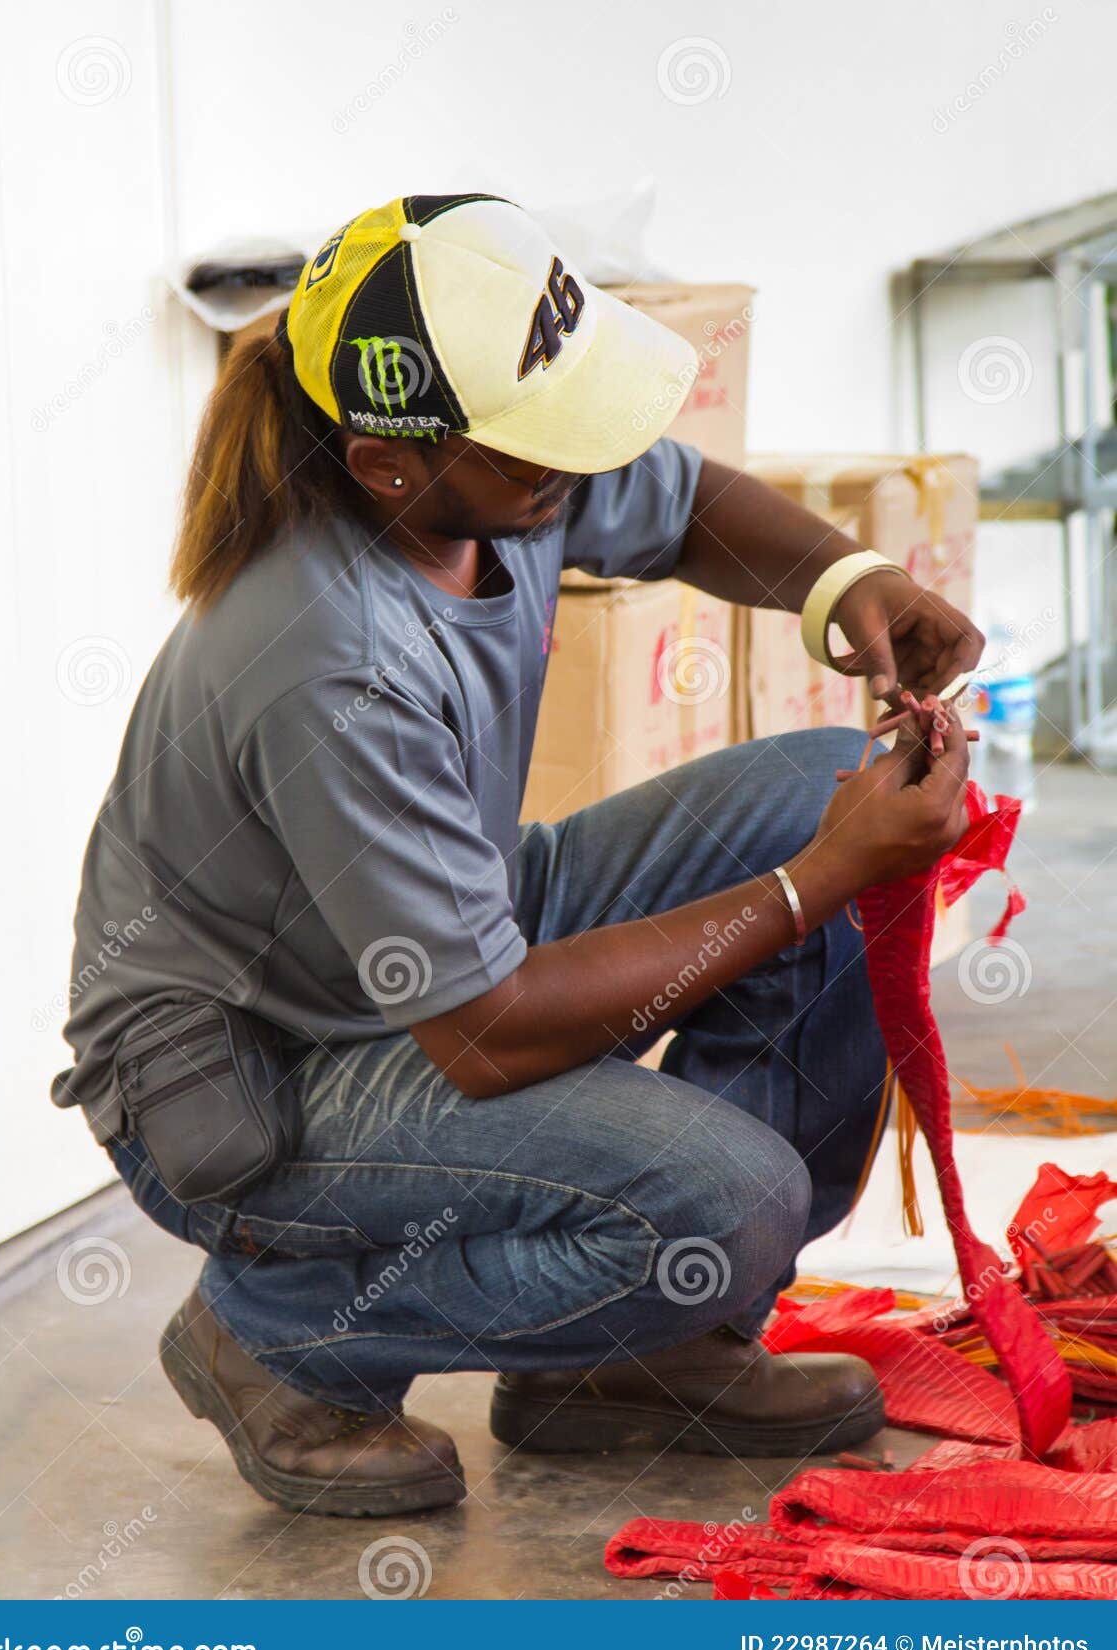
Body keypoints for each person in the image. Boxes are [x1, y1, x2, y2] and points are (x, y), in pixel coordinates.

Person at [52, 193, 982, 1519]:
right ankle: (281, 1334)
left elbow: (679, 503)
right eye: (547, 443)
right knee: (731, 1196)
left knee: (807, 792)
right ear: (387, 464)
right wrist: (816, 881)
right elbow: (485, 1032)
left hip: (421, 958)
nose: (580, 462)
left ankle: (643, 1349)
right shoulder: (331, 658)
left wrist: (849, 581)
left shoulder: (491, 477)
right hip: (263, 1074)